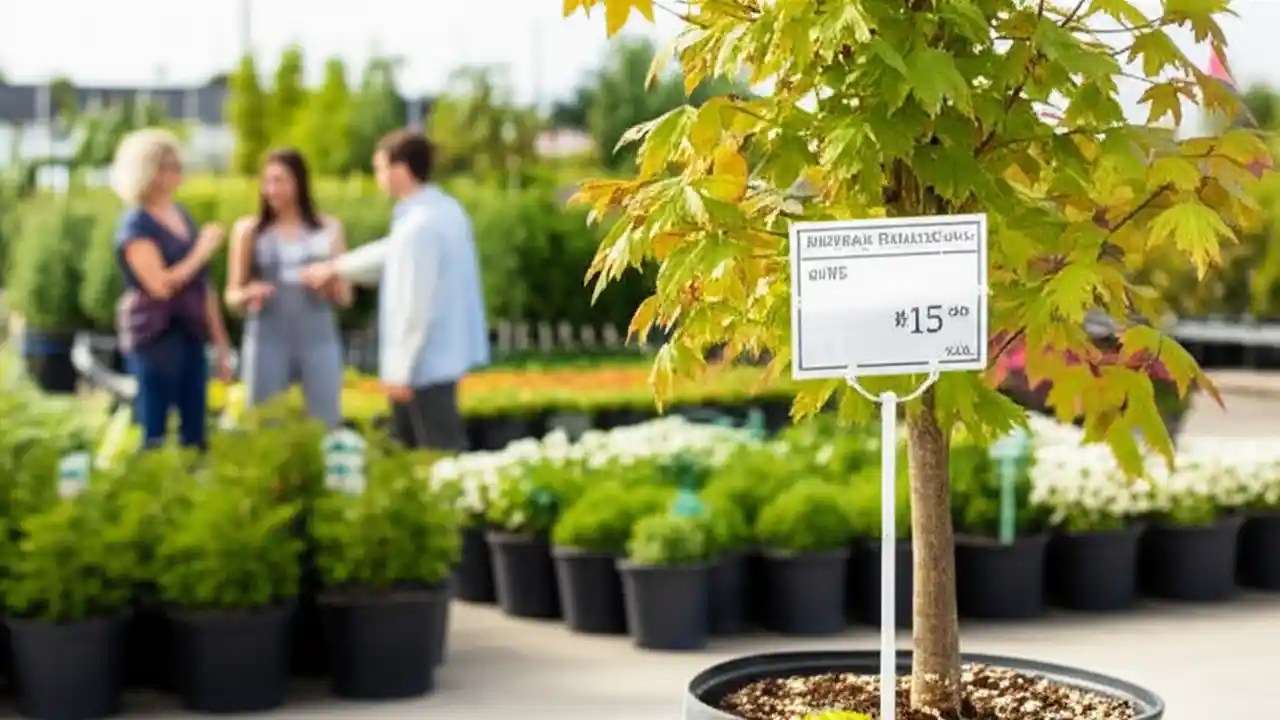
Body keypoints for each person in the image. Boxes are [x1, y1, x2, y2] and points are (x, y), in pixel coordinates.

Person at [301, 130, 488, 451]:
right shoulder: (443, 210)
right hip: (442, 358)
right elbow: (390, 254)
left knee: (435, 453)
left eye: (379, 169)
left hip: (422, 366)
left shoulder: (420, 226)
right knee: (433, 449)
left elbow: (416, 305)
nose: (378, 178)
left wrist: (400, 370)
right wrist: (337, 268)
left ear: (400, 170)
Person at [110, 128, 232, 449]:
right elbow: (160, 285)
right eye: (165, 167)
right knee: (154, 431)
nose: (174, 174)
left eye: (177, 166)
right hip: (155, 337)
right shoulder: (136, 224)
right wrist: (201, 251)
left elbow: (203, 286)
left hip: (190, 334)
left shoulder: (181, 216)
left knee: (196, 433)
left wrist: (220, 343)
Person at [225, 149, 350, 428]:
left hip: (318, 338)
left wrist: (328, 284)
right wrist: (250, 293)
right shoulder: (250, 231)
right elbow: (231, 295)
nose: (272, 190)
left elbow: (346, 296)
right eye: (267, 181)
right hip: (267, 338)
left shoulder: (329, 229)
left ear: (299, 183)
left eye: (280, 180)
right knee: (264, 423)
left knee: (326, 422)